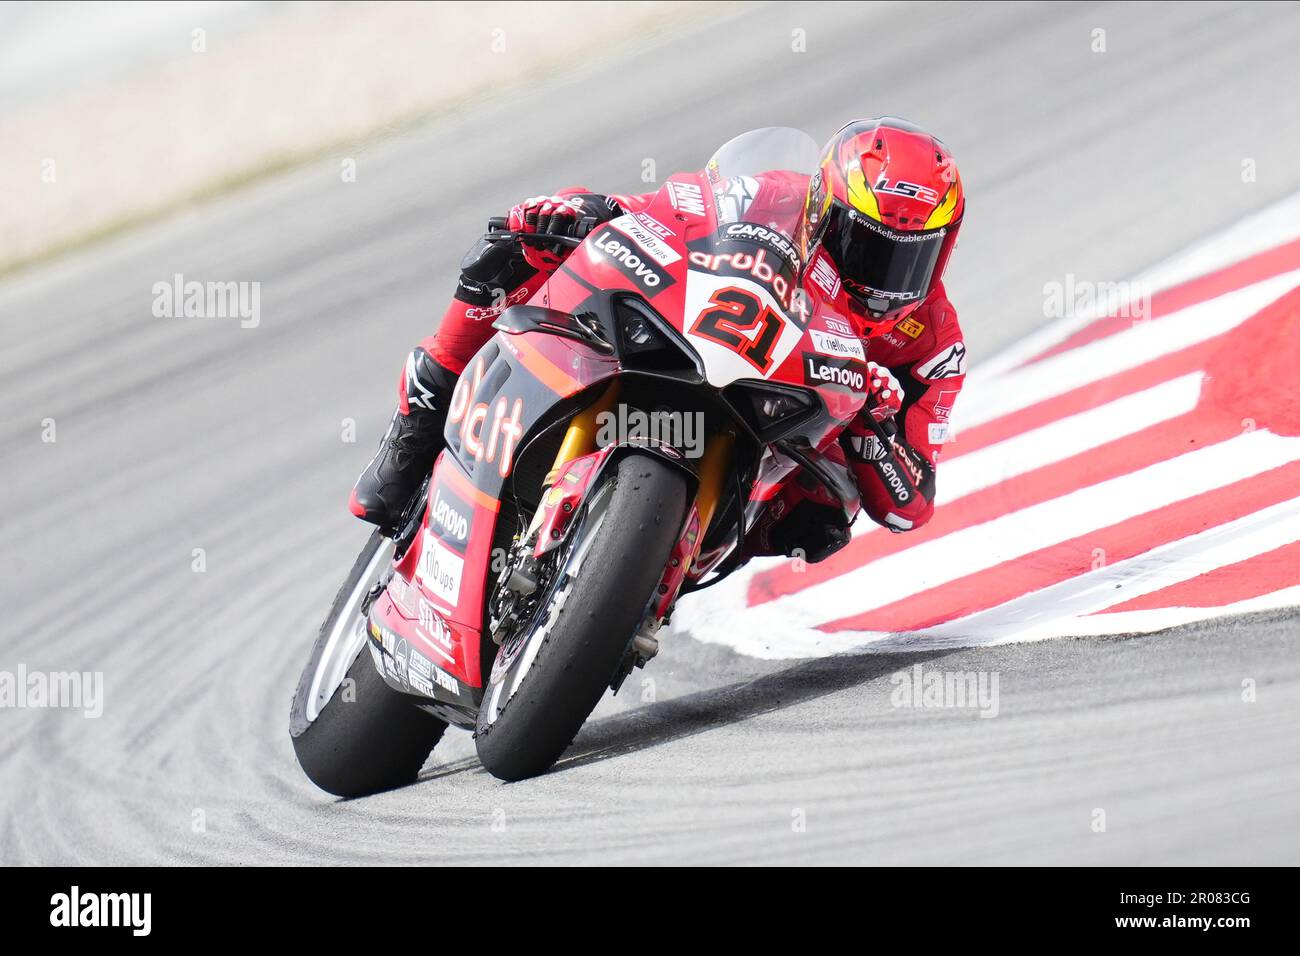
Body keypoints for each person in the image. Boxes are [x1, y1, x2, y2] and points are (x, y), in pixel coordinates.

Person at [350, 117, 966, 563]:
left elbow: (911, 505)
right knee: (512, 248)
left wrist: (874, 427)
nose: (883, 280)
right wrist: (583, 210)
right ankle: (421, 415)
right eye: (868, 246)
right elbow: (670, 208)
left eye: (908, 259)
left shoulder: (933, 344)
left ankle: (659, 562)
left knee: (823, 521)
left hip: (788, 435)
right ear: (825, 209)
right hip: (702, 338)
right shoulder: (780, 194)